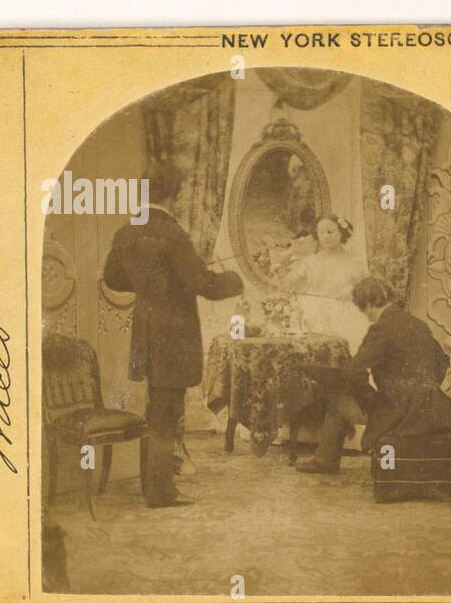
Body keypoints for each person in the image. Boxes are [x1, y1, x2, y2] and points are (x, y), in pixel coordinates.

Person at [102, 160, 244, 507]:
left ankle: (156, 485)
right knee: (166, 412)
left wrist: (148, 284)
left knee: (157, 408)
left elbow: (113, 279)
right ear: (174, 195)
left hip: (145, 332)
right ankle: (161, 491)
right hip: (174, 335)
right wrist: (234, 280)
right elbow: (203, 283)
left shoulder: (128, 230)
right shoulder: (172, 232)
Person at [297, 276, 451, 477]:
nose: (366, 316)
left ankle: (325, 462)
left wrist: (372, 402)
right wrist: (424, 387)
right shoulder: (419, 324)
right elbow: (442, 361)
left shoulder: (380, 329)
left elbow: (353, 372)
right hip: (435, 408)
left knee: (338, 402)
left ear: (371, 303)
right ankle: (325, 461)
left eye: (363, 309)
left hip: (400, 412)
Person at [277, 214, 370, 345]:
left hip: (345, 314)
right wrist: (281, 269)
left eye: (330, 232)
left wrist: (352, 291)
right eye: (322, 233)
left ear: (341, 233)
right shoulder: (311, 262)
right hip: (314, 315)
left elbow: (367, 289)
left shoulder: (353, 262)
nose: (326, 236)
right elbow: (288, 284)